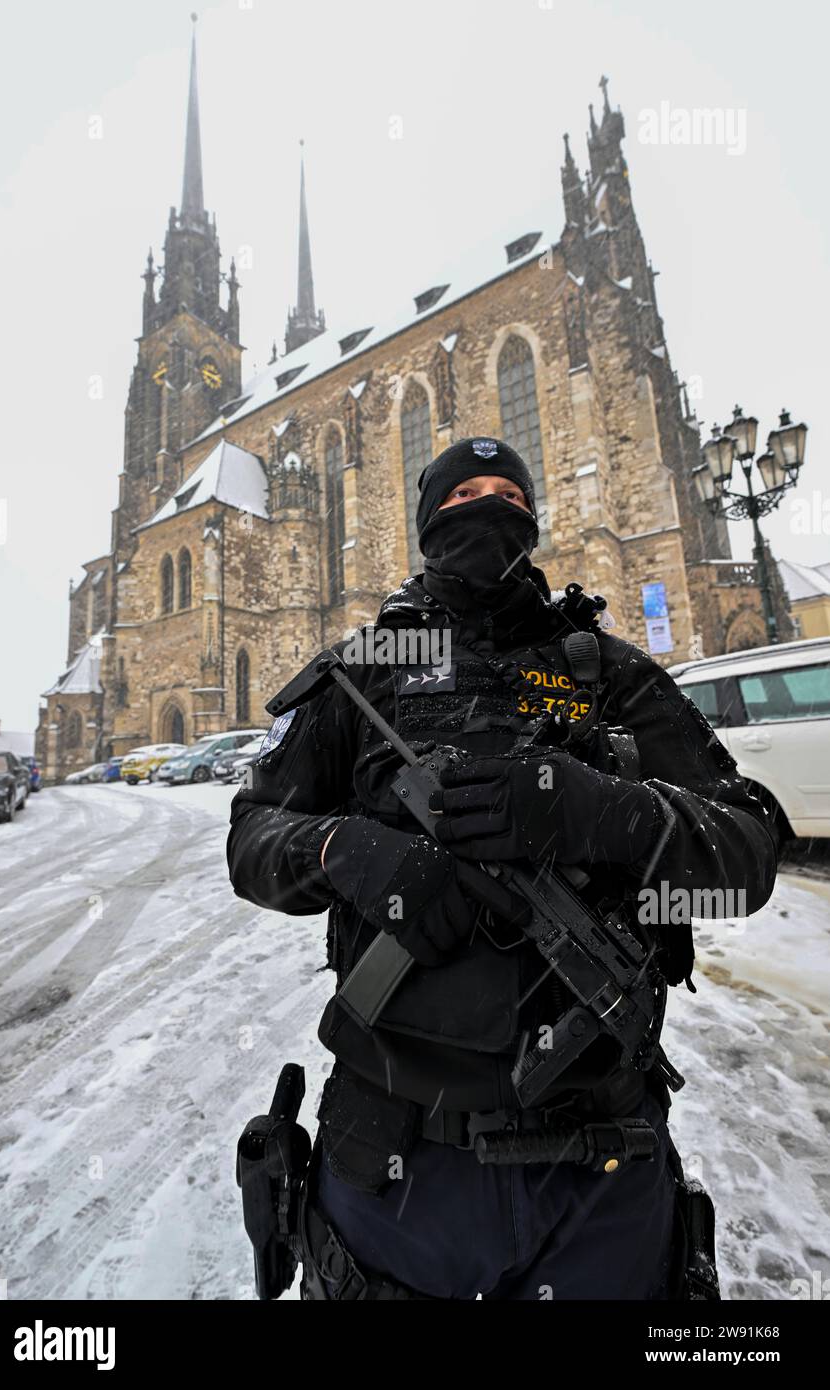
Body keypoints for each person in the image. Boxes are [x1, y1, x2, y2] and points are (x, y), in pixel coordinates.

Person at [227, 436, 776, 1301]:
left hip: (601, 1164)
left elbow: (747, 852)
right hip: (396, 1165)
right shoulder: (366, 672)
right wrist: (346, 851)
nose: (487, 505)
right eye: (463, 492)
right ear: (426, 521)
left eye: (507, 491)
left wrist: (605, 811)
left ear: (532, 518)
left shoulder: (606, 672)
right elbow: (251, 838)